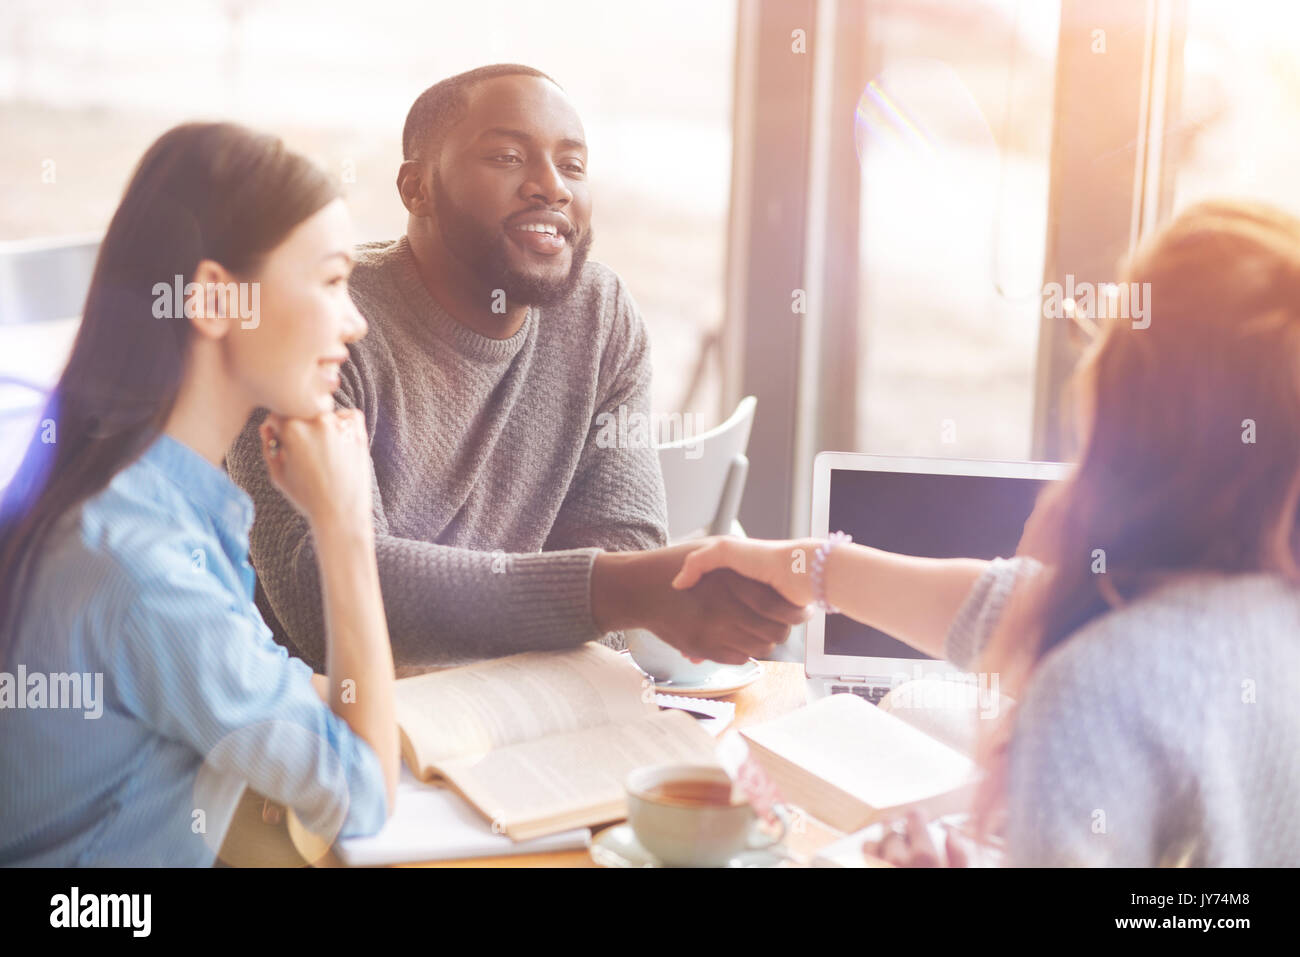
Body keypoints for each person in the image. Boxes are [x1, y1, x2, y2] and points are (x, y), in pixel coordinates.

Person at [672, 200, 1300, 867]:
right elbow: (1015, 605)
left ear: (1124, 403)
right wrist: (801, 564)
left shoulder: (1096, 689)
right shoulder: (1254, 609)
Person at [227, 64, 803, 672]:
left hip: (526, 710)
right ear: (416, 188)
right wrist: (603, 592)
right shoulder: (322, 328)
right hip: (343, 727)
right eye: (507, 157)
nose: (551, 187)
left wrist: (606, 594)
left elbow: (626, 543)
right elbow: (330, 600)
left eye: (573, 165)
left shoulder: (600, 316)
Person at [0, 123, 397, 865]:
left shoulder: (122, 500)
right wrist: (343, 526)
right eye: (332, 280)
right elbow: (363, 795)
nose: (356, 321)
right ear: (217, 300)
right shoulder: (144, 567)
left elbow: (242, 671)